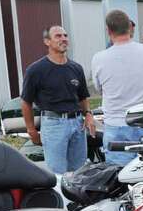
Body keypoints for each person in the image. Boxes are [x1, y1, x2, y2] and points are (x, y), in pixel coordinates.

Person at [20, 25, 96, 174]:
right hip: (54, 125)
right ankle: (59, 198)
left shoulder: (76, 68)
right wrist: (31, 130)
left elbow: (82, 97)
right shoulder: (36, 70)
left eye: (65, 36)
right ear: (47, 42)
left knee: (79, 173)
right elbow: (26, 102)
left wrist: (88, 114)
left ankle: (75, 198)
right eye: (58, 36)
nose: (63, 39)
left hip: (77, 124)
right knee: (57, 173)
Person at [92, 9, 143, 166]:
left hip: (117, 125)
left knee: (120, 178)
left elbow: (99, 89)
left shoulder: (99, 58)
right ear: (130, 27)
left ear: (108, 30)